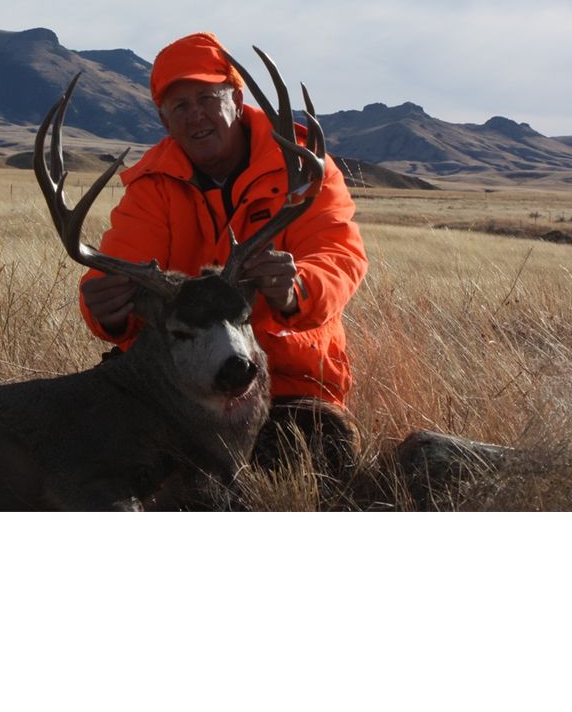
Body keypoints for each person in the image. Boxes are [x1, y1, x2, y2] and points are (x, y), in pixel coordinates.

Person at [79, 31, 369, 490]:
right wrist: (106, 312)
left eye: (206, 98)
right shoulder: (152, 186)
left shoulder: (302, 170)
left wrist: (299, 289)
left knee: (318, 470)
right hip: (175, 387)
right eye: (179, 106)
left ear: (236, 97)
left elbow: (339, 254)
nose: (195, 115)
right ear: (164, 118)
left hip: (287, 386)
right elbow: (114, 268)